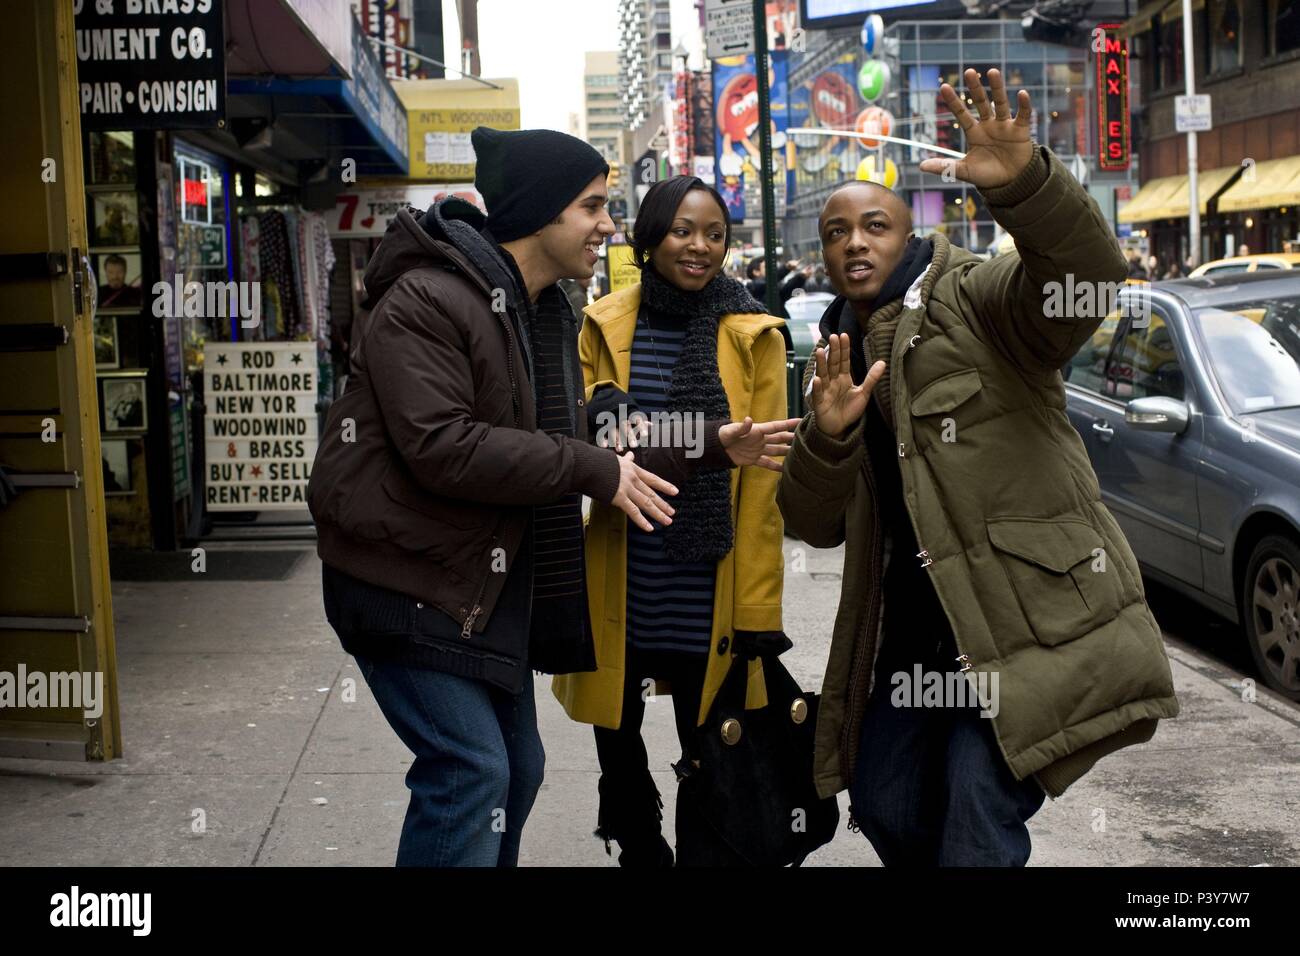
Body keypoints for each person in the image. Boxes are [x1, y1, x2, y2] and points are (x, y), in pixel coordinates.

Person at [776, 68, 1179, 867]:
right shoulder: (831, 359)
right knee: (886, 804)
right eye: (835, 232)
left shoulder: (975, 298)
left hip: (1015, 627)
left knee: (974, 817)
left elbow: (1086, 283)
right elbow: (810, 525)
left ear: (908, 236)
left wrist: (1026, 187)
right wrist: (826, 439)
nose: (855, 242)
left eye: (876, 225)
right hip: (906, 638)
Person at [307, 127, 682, 867]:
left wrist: (611, 426)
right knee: (471, 772)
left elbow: (528, 426)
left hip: (479, 585)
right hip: (402, 580)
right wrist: (586, 465)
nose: (609, 224)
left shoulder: (538, 310)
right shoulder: (428, 298)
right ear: (542, 212)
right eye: (593, 206)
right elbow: (445, 444)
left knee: (519, 772)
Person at [552, 174, 799, 866]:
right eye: (683, 231)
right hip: (625, 570)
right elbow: (586, 438)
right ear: (651, 236)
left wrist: (757, 607)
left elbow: (762, 484)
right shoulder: (603, 321)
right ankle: (638, 844)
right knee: (617, 738)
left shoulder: (756, 335)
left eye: (715, 234)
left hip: (708, 583)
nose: (700, 247)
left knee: (711, 754)